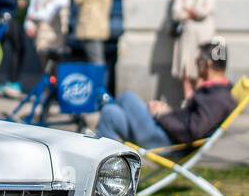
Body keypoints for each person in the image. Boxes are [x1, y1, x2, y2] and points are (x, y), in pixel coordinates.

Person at [97, 41, 235, 148]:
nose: (196, 66)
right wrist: (167, 111)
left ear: (207, 64)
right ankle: (106, 175)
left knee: (127, 98)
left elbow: (191, 132)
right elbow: (190, 121)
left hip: (166, 143)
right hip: (165, 133)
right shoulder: (214, 92)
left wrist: (161, 115)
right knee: (110, 113)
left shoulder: (217, 98)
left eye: (197, 61)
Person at [171, 0, 216, 101]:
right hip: (186, 40)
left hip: (203, 39)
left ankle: (199, 102)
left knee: (201, 70)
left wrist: (188, 11)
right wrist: (192, 13)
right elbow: (176, 14)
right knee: (186, 72)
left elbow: (204, 12)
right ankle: (188, 103)